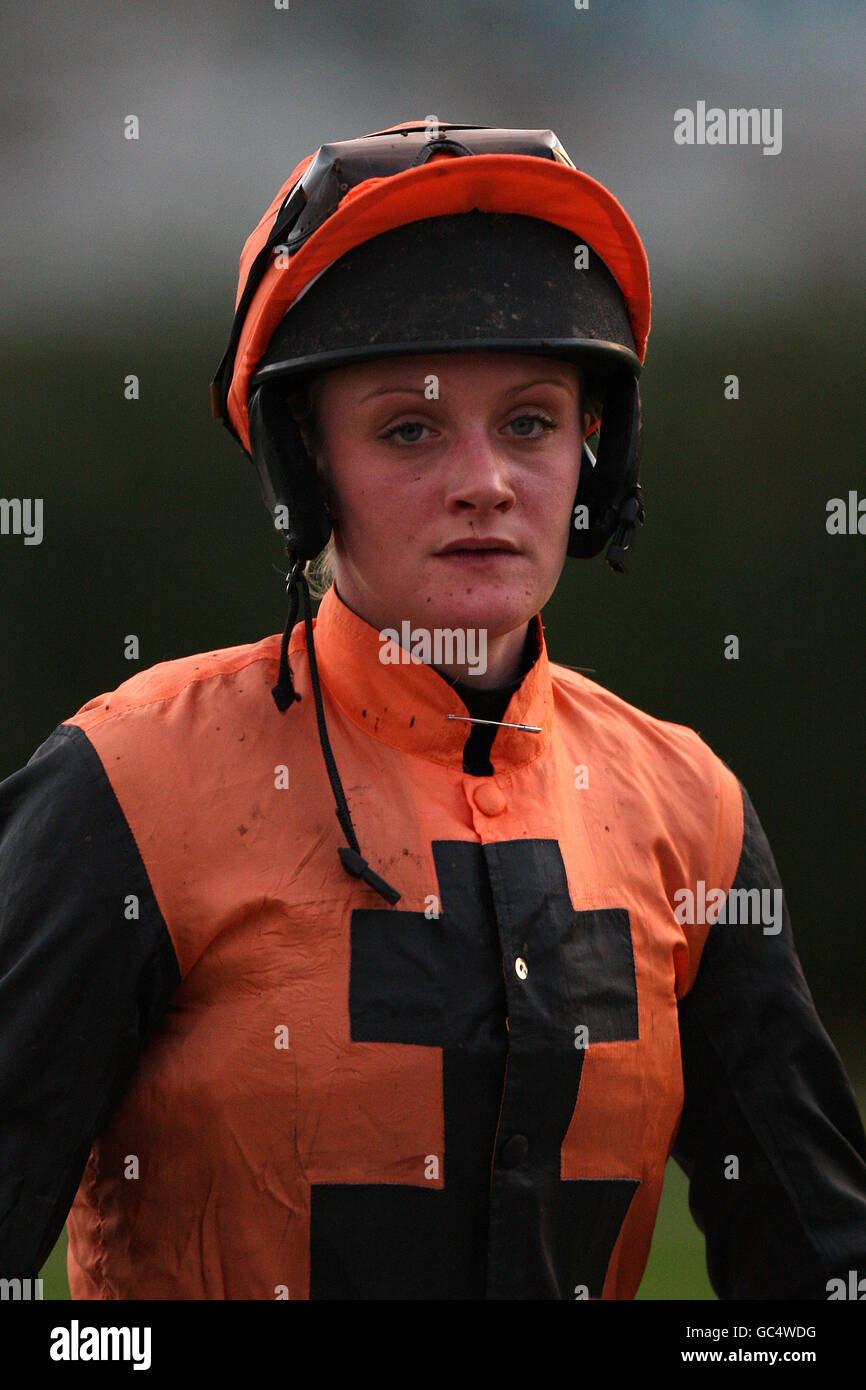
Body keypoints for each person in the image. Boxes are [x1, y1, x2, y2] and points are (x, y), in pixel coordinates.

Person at [1, 118, 865, 1301]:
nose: (485, 480)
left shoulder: (689, 812)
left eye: (528, 421)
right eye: (408, 429)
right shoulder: (124, 785)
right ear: (308, 470)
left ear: (590, 461)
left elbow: (819, 1273)